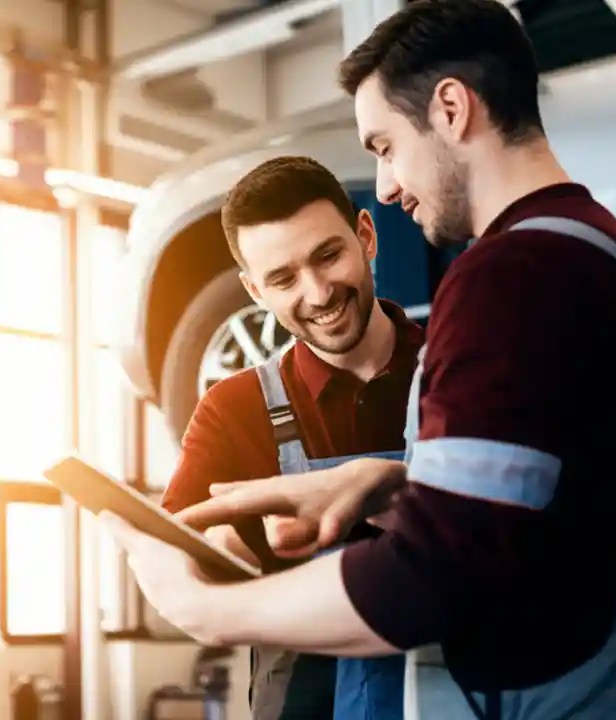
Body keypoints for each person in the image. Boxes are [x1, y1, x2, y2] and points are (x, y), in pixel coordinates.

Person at [104, 1, 616, 719]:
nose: (389, 184)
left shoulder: (507, 277)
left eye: (385, 146)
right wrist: (391, 485)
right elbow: (566, 513)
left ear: (452, 109)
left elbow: (435, 577)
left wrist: (213, 612)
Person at [158, 155, 423, 719]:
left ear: (366, 236)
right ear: (254, 289)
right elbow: (174, 551)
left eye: (328, 256)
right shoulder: (234, 409)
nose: (319, 293)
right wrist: (230, 553)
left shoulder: (457, 371)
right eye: (283, 279)